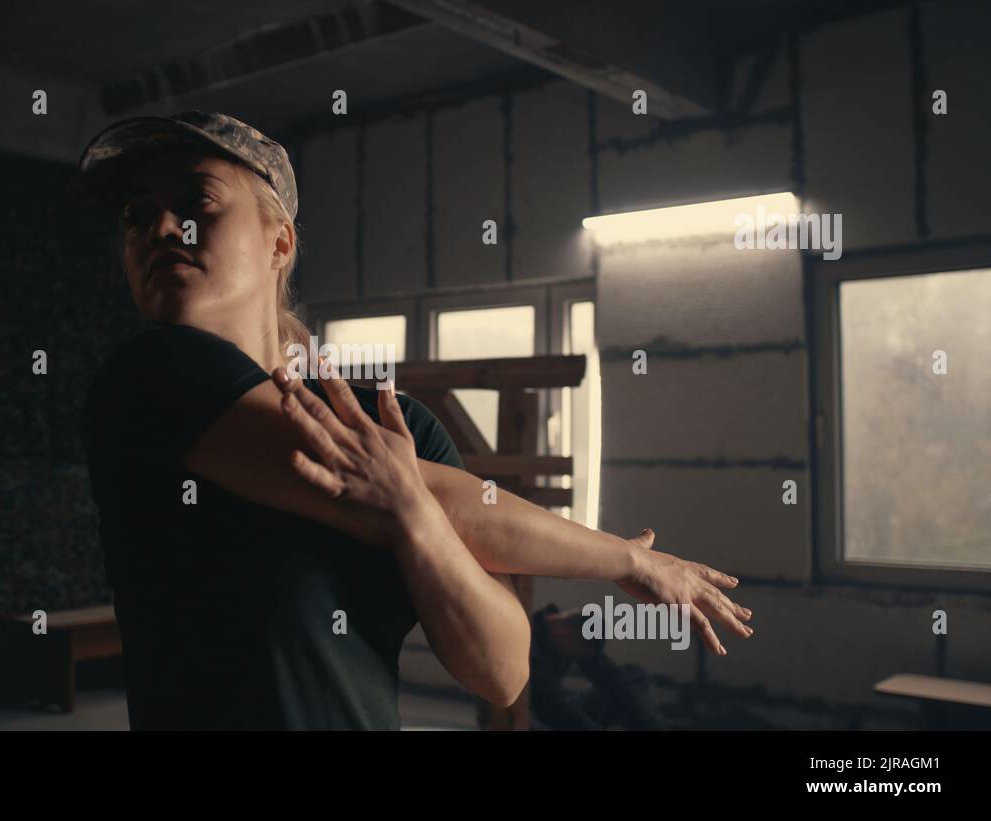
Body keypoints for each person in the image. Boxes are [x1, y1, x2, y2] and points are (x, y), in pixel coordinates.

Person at [78, 110, 753, 731]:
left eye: (196, 201)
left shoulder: (395, 422)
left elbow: (502, 666)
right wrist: (625, 556)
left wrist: (413, 516)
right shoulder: (150, 377)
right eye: (138, 216)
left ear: (279, 242)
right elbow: (424, 491)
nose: (162, 228)